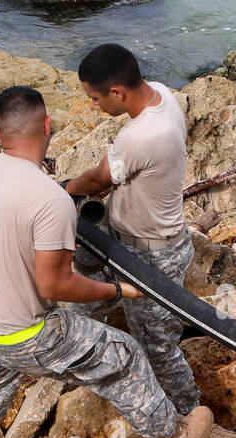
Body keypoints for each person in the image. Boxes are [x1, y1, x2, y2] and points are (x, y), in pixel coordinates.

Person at [0, 85, 213, 438]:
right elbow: (55, 286)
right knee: (125, 354)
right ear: (47, 125)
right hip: (26, 334)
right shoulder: (49, 199)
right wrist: (118, 290)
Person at [64, 43, 202, 416]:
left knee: (158, 348)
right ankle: (90, 353)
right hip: (130, 236)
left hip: (152, 253)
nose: (94, 105)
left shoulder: (139, 136)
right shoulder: (162, 95)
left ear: (117, 92)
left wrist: (66, 189)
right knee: (90, 289)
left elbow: (97, 180)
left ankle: (192, 415)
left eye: (94, 98)